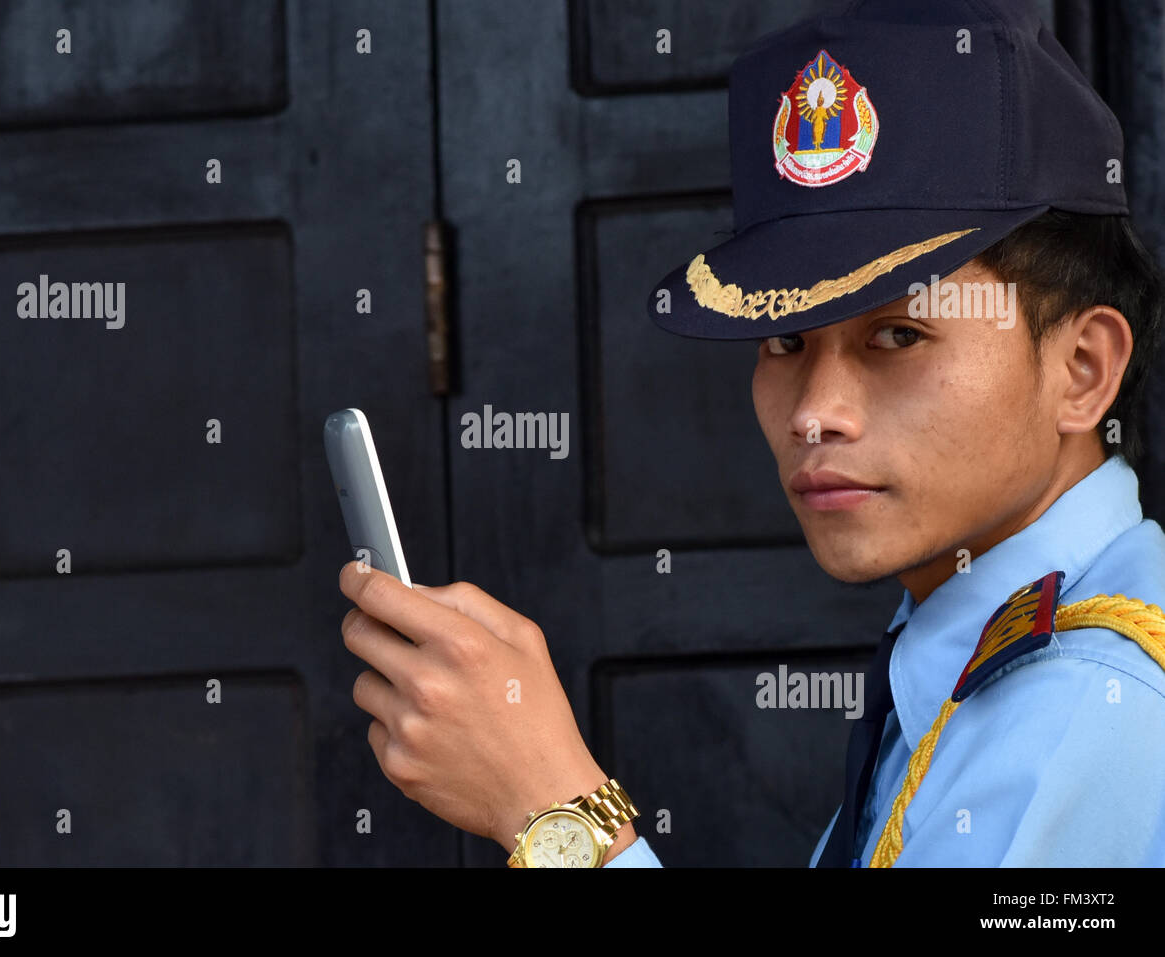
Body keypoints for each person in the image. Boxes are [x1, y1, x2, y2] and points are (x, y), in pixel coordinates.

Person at [336, 0, 1165, 867]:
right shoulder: (985, 645)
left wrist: (553, 812)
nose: (815, 410)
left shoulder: (1085, 702)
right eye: (784, 339)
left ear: (1083, 369)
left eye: (897, 335)